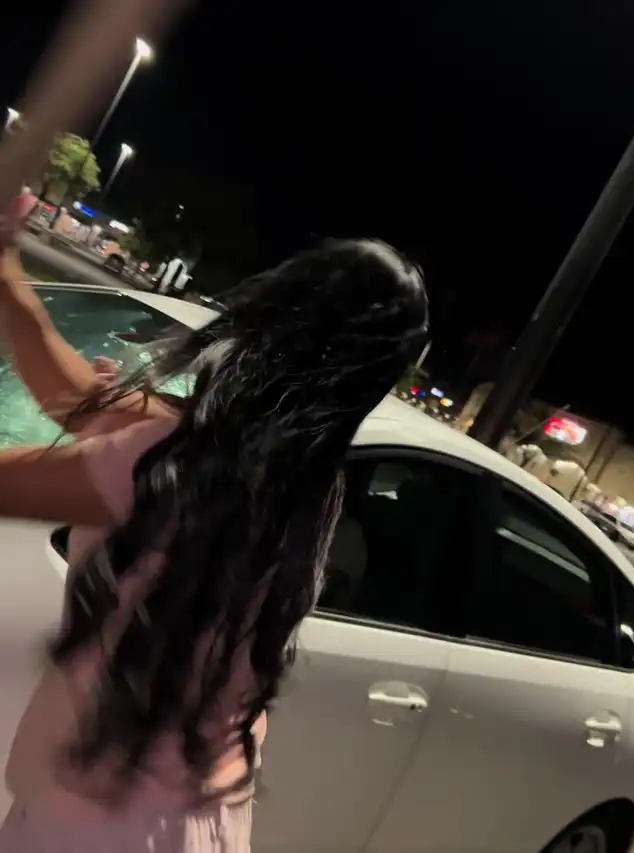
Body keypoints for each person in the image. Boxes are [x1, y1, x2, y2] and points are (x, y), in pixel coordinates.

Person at [0, 237, 429, 852]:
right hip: (201, 823)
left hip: (92, 829)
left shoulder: (169, 459)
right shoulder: (304, 484)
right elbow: (73, 396)